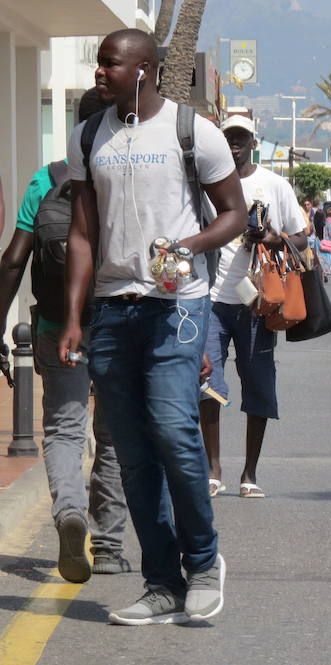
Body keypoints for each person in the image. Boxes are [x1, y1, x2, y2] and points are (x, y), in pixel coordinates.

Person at [60, 29, 246, 625]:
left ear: (142, 69)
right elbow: (83, 233)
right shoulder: (90, 135)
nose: (99, 73)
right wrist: (73, 315)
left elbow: (234, 214)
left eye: (109, 64)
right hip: (114, 307)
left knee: (173, 428)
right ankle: (162, 582)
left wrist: (189, 245)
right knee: (134, 454)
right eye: (98, 64)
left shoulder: (194, 132)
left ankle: (206, 561)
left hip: (178, 304)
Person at [0, 88, 131, 583]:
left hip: (57, 326)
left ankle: (68, 514)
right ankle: (111, 544)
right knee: (113, 434)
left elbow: (14, 259)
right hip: (121, 325)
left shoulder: (47, 179)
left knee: (63, 430)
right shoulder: (130, 176)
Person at [201, 114, 307, 501]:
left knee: (258, 385)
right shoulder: (207, 182)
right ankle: (213, 470)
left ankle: (250, 472)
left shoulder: (274, 185)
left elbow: (302, 235)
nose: (234, 144)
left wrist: (271, 237)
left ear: (253, 142)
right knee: (207, 385)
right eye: (228, 136)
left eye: (241, 137)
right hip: (210, 298)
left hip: (259, 302)